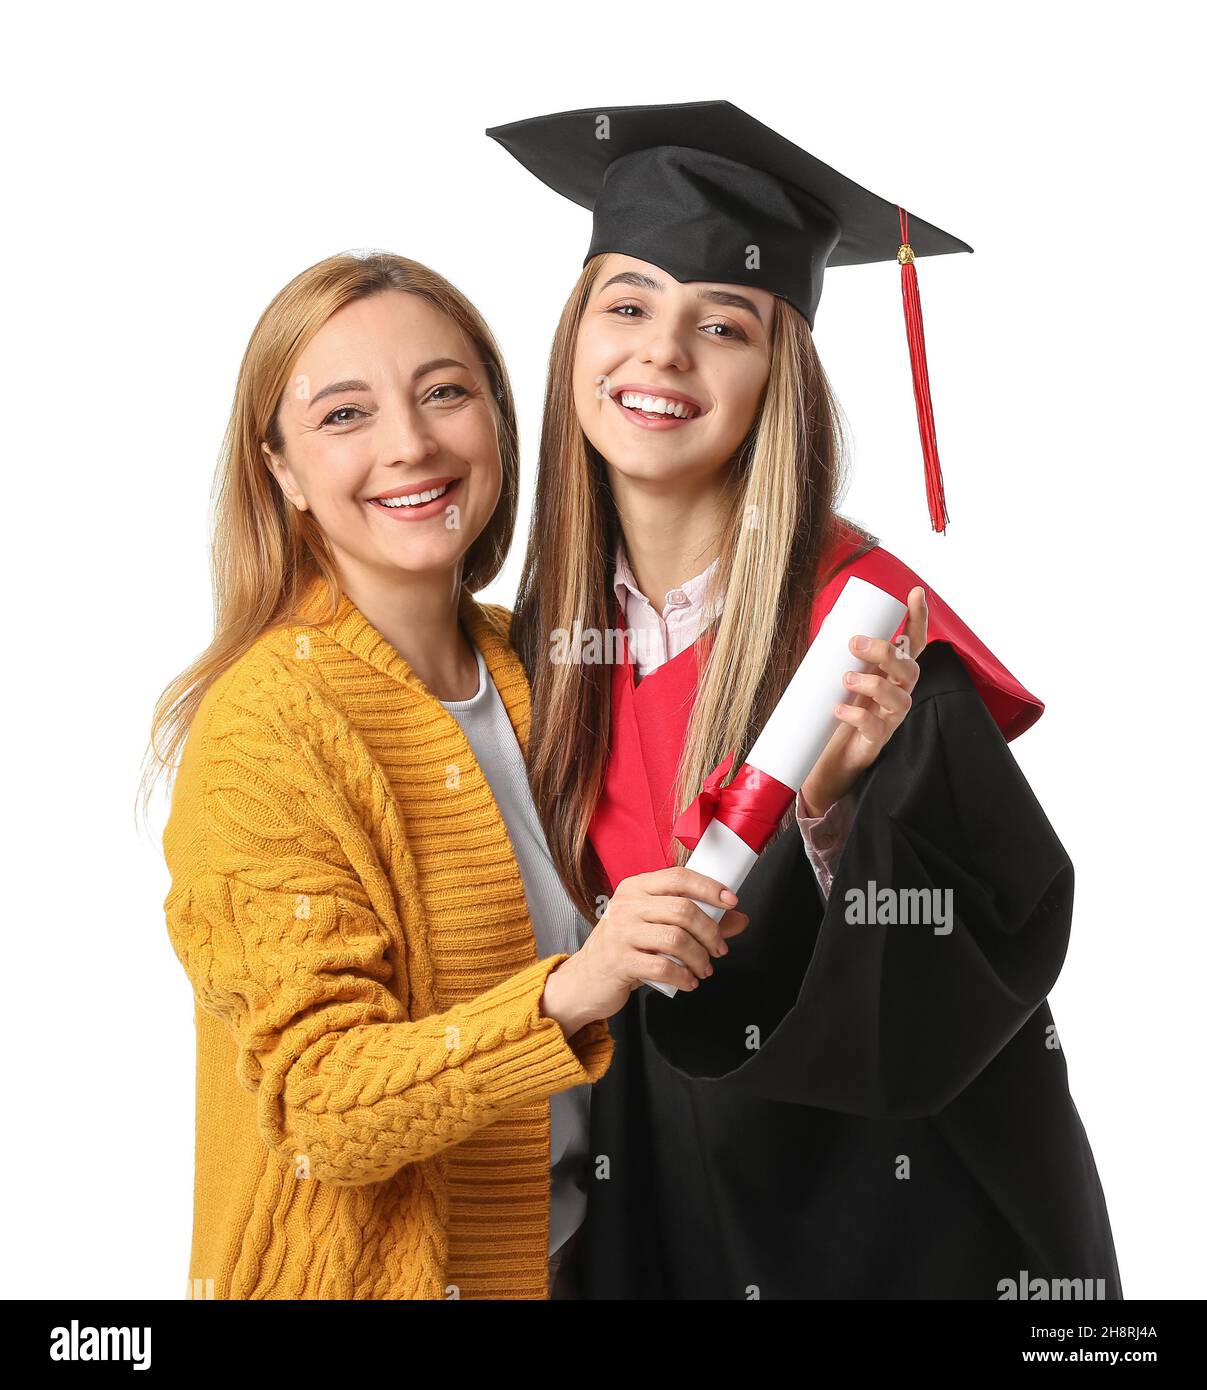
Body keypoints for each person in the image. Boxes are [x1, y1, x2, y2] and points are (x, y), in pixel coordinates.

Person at [490, 100, 1123, 1299]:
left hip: (876, 1222)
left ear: (778, 369)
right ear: (575, 337)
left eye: (720, 323)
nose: (661, 354)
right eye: (626, 305)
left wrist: (834, 818)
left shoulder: (867, 639)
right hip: (637, 1214)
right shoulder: (526, 655)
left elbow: (981, 960)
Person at [140, 250, 692, 1299]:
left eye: (444, 392)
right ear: (283, 472)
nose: (410, 444)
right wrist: (575, 988)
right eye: (344, 415)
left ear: (498, 420)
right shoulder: (266, 726)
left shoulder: (539, 665)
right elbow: (323, 1104)